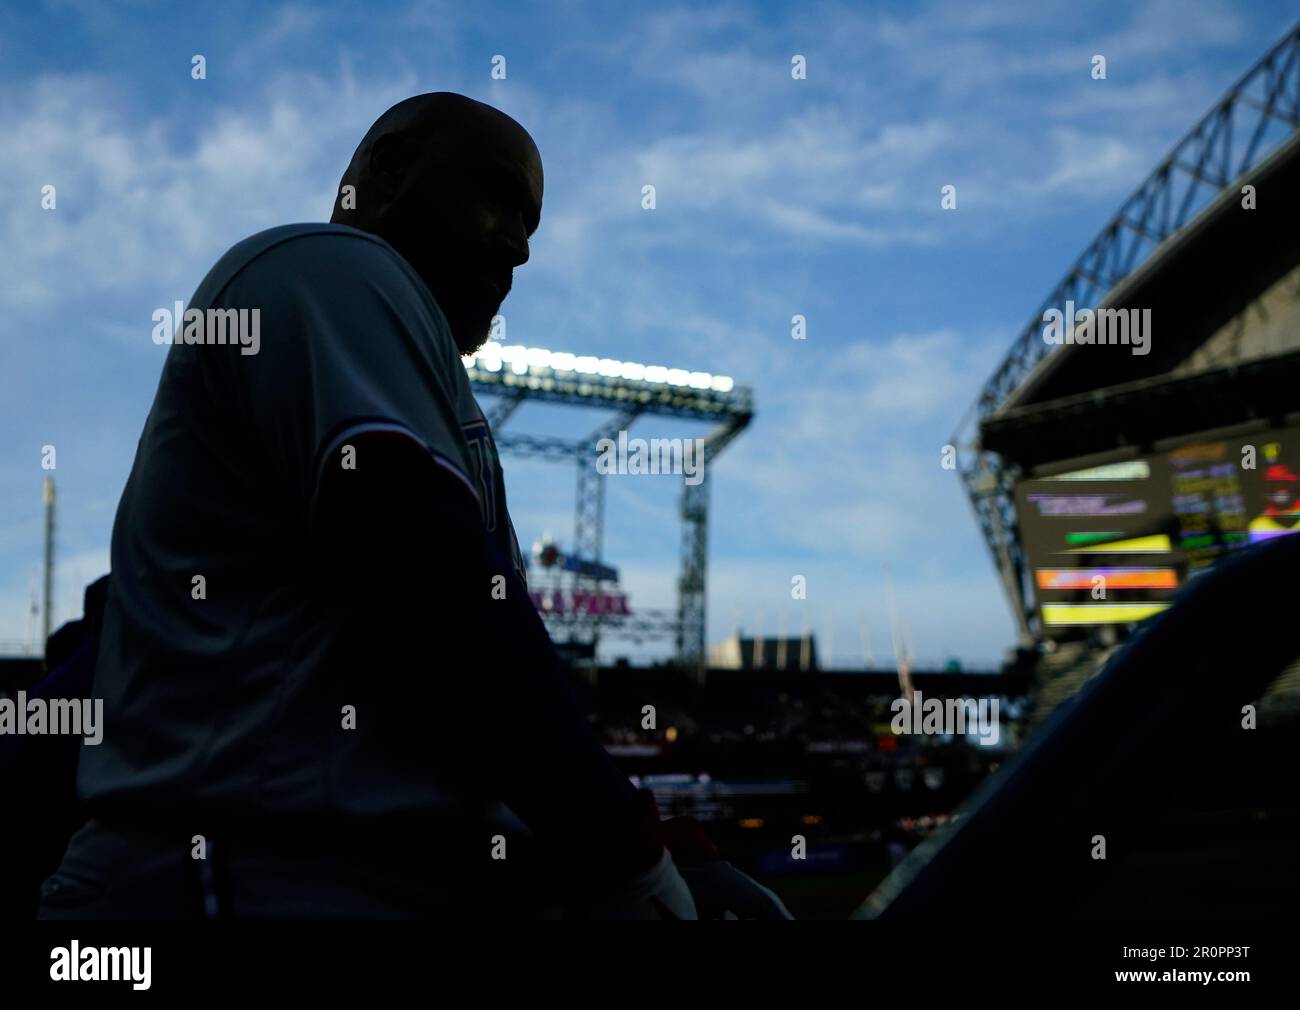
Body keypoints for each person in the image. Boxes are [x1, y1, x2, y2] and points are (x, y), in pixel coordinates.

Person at [39, 92, 788, 920]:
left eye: (531, 224)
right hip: (247, 876)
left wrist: (628, 840)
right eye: (496, 196)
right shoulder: (329, 266)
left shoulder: (400, 360)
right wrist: (625, 853)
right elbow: (440, 584)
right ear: (390, 174)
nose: (518, 247)